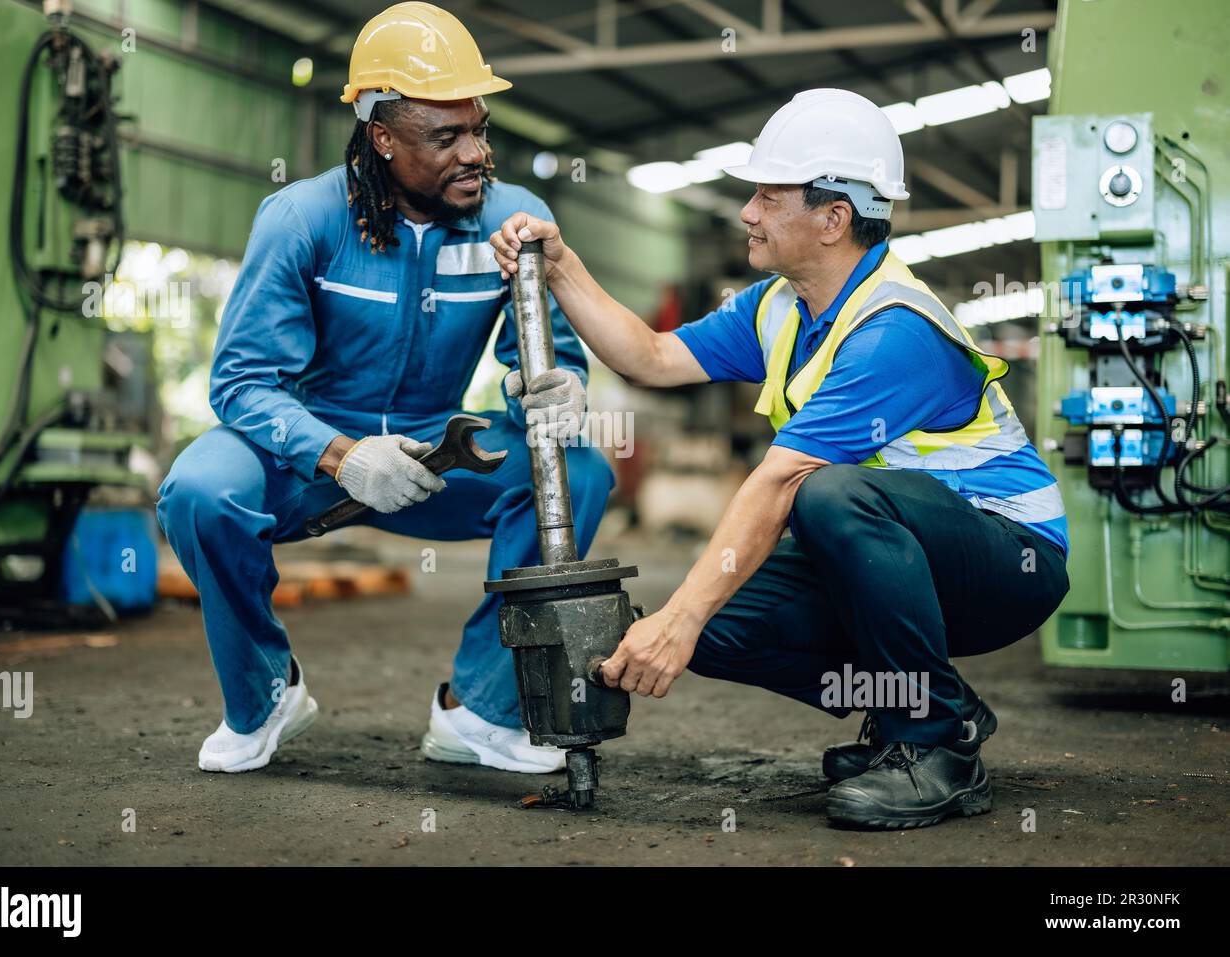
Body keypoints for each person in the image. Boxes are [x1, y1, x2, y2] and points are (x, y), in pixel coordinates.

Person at [489, 89, 1069, 829]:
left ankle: (937, 749)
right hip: (900, 553)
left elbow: (782, 479)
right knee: (718, 627)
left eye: (768, 195)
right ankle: (924, 709)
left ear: (834, 219)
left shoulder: (894, 328)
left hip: (1007, 559)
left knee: (820, 499)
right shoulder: (778, 307)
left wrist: (679, 619)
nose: (747, 212)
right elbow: (654, 355)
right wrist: (562, 263)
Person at [157, 2, 612, 775]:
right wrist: (338, 454)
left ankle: (478, 710)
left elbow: (543, 359)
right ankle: (265, 691)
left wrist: (555, 385)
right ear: (382, 138)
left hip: (439, 453)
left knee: (581, 469)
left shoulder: (516, 221)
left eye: (479, 127)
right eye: (446, 136)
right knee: (199, 490)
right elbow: (240, 382)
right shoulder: (301, 219)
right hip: (304, 455)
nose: (475, 153)